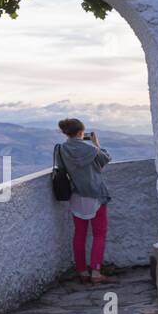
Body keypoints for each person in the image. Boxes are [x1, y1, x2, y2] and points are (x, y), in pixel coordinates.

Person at [57, 117, 112, 283]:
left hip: (76, 195)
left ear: (66, 133)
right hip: (95, 194)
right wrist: (96, 143)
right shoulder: (90, 149)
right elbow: (105, 159)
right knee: (99, 234)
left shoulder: (61, 149)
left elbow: (61, 169)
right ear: (82, 132)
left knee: (79, 235)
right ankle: (95, 272)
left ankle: (82, 271)